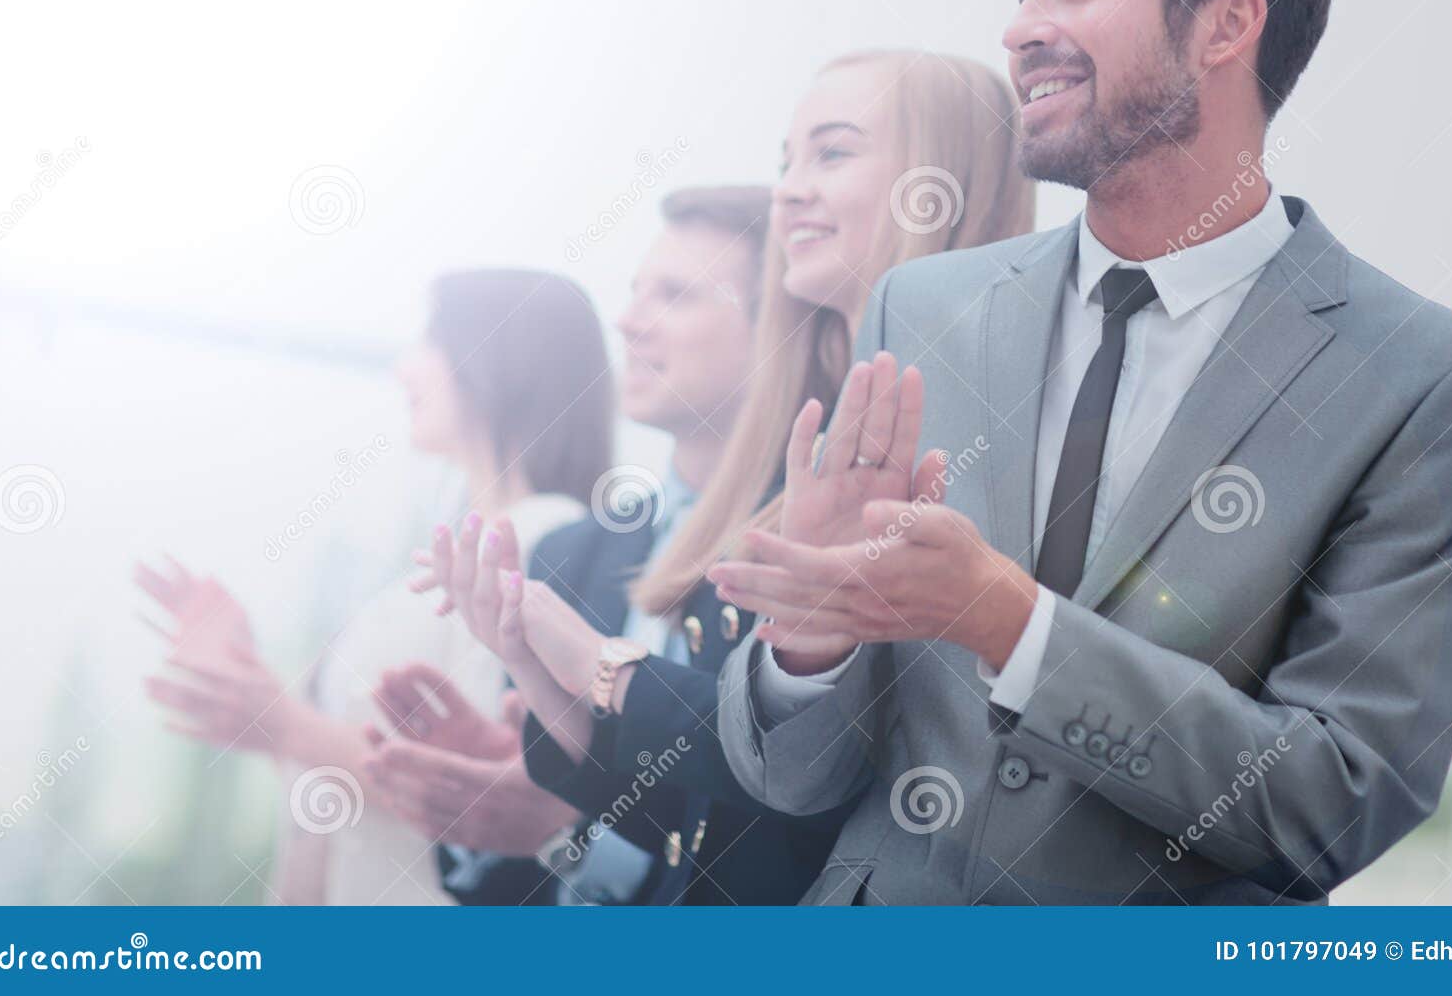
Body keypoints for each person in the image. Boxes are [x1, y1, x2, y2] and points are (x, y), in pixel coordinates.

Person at [713, 0, 1452, 906]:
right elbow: (801, 780)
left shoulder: (1426, 379)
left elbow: (1337, 800)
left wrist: (1008, 619)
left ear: (1224, 25)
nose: (1019, 27)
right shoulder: (924, 306)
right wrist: (812, 647)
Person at [397, 50, 1037, 904]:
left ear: (941, 179)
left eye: (833, 154)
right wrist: (545, 678)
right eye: (786, 163)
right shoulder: (773, 500)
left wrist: (596, 669)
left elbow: (842, 792)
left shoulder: (993, 460)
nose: (790, 193)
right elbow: (716, 820)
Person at [137, 268, 612, 904]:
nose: (404, 370)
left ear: (498, 359)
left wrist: (283, 723)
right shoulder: (455, 551)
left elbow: (486, 794)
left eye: (431, 341)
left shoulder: (547, 539)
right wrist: (254, 688)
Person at [366, 185, 770, 904]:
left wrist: (569, 828)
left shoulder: (800, 558)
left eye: (675, 295)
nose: (629, 321)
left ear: (781, 327)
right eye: (635, 291)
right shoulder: (574, 557)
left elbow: (771, 802)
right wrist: (501, 798)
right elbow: (523, 878)